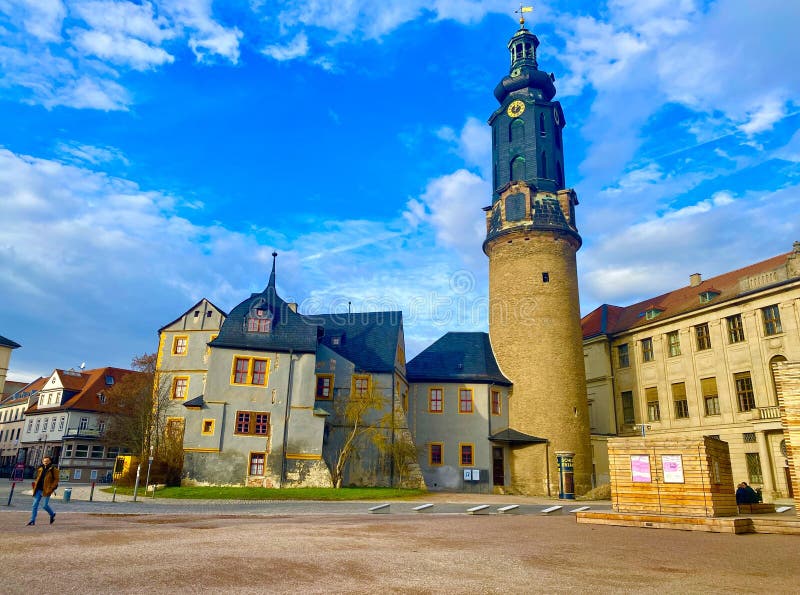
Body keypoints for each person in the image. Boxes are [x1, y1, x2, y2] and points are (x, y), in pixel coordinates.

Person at [28, 456, 58, 526]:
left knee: (45, 506)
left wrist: (51, 488)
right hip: (38, 490)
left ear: (50, 461)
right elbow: (37, 478)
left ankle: (52, 514)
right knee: (34, 505)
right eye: (44, 461)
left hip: (46, 490)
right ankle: (32, 520)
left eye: (47, 461)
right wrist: (34, 485)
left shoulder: (54, 470)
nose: (46, 462)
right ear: (42, 461)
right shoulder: (40, 469)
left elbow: (56, 480)